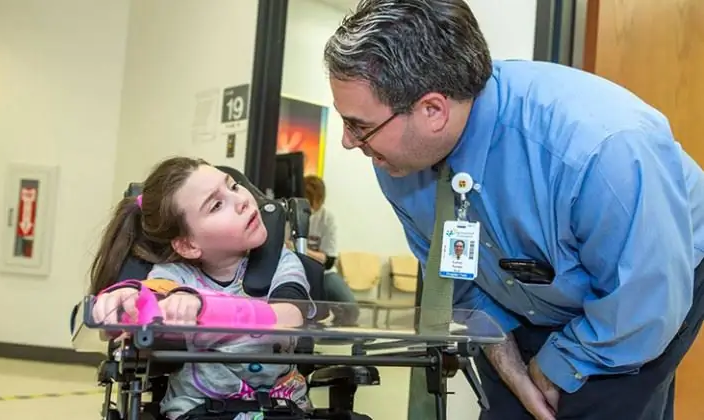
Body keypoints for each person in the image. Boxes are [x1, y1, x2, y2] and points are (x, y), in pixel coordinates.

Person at [323, 1, 704, 420]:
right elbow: (460, 281)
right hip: (526, 289)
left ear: (433, 110)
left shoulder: (599, 150)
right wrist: (514, 370)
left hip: (645, 285)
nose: (347, 141)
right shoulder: (399, 160)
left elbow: (644, 305)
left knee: (596, 405)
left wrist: (557, 366)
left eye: (358, 125)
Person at [89, 157, 314, 420]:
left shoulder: (281, 262)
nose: (241, 200)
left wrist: (205, 309)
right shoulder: (175, 278)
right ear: (187, 245)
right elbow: (151, 300)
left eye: (233, 186)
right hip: (200, 411)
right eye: (217, 205)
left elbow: (290, 318)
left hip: (280, 407)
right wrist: (126, 299)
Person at [301, 175, 359, 326]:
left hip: (324, 273)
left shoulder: (327, 218)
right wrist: (315, 255)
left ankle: (329, 340)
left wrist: (300, 249)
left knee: (350, 308)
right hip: (295, 271)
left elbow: (328, 261)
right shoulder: (290, 214)